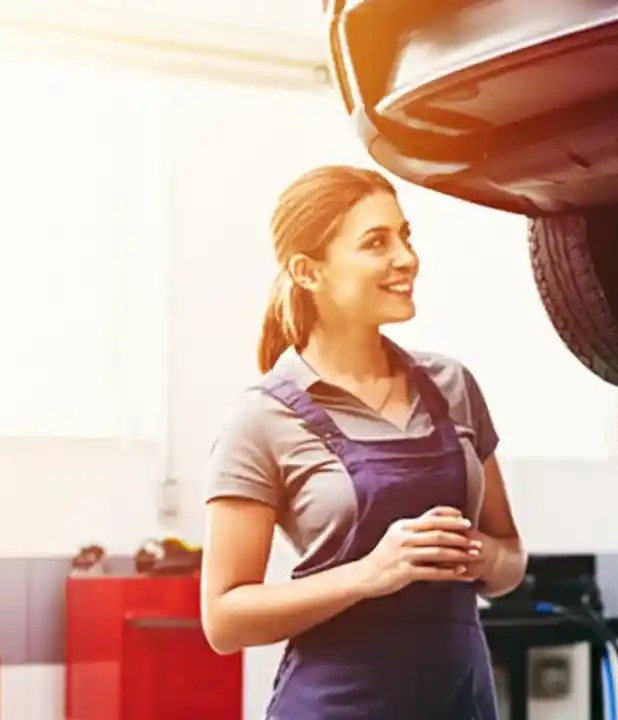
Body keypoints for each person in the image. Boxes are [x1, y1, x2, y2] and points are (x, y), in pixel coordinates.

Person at [199, 165, 526, 719]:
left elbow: (510, 557)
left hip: (460, 703)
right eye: (376, 242)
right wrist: (372, 573)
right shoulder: (261, 418)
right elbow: (224, 620)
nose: (405, 258)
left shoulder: (453, 386)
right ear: (308, 272)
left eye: (405, 235)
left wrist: (480, 557)